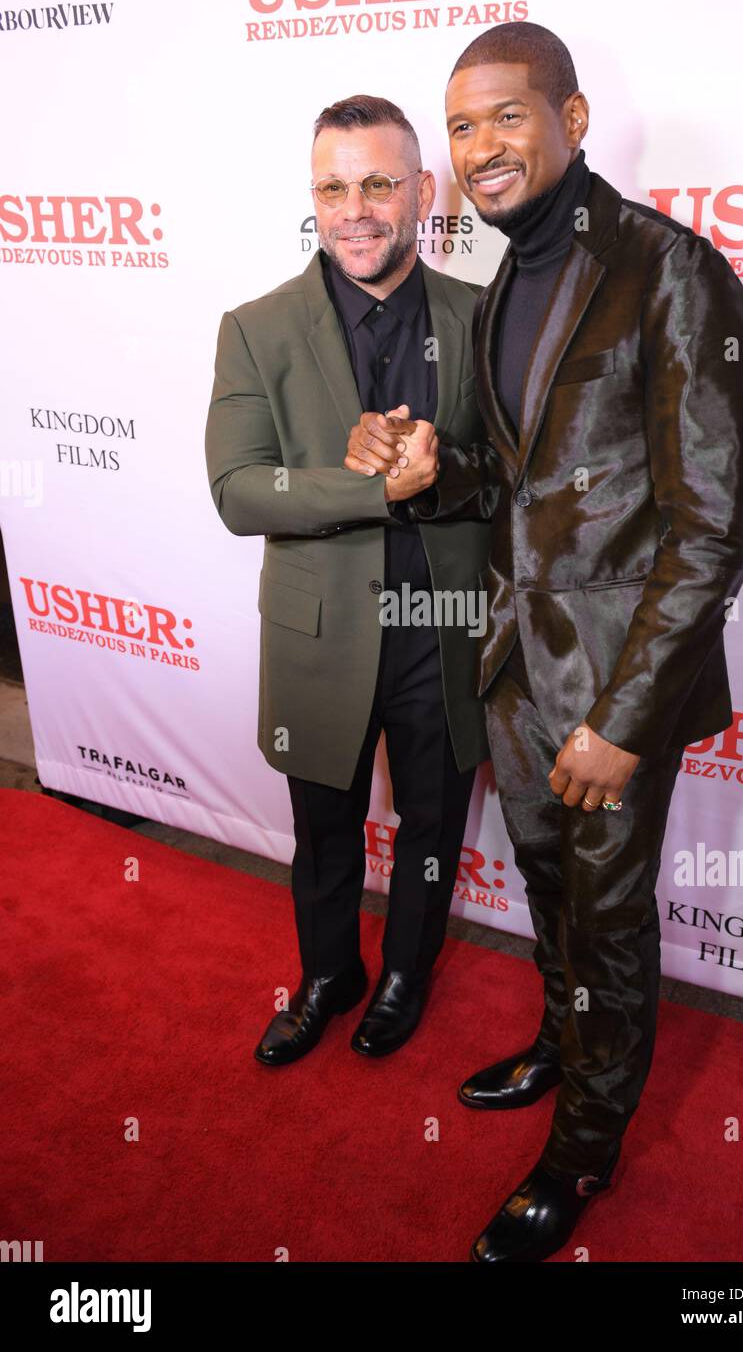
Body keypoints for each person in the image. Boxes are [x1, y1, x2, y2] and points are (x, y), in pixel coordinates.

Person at [345, 22, 743, 1262]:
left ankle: (584, 1147)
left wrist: (622, 725)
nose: (479, 147)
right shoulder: (498, 289)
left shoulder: (669, 271)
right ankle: (559, 1042)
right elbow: (520, 484)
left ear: (570, 122)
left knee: (609, 914)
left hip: (612, 693)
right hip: (515, 673)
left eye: (505, 117)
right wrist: (433, 473)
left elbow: (711, 527)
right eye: (460, 126)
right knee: (545, 892)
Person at [205, 95, 491, 1068]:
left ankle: (406, 971)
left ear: (419, 191)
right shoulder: (255, 328)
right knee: (322, 828)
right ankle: (330, 973)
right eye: (333, 186)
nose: (355, 208)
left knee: (430, 821)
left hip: (442, 627)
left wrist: (442, 464)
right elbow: (238, 491)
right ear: (312, 198)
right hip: (317, 633)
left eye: (377, 183)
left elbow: (519, 478)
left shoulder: (480, 320)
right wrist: (366, 484)